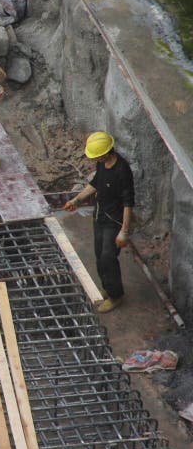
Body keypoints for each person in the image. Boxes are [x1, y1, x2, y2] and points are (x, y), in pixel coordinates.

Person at [64, 131, 135, 313]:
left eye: (98, 156)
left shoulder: (122, 170)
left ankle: (115, 295)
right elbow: (96, 182)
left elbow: (128, 202)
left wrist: (124, 230)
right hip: (99, 216)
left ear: (106, 152)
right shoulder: (102, 164)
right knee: (99, 254)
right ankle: (107, 286)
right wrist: (77, 200)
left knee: (108, 257)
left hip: (114, 221)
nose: (95, 159)